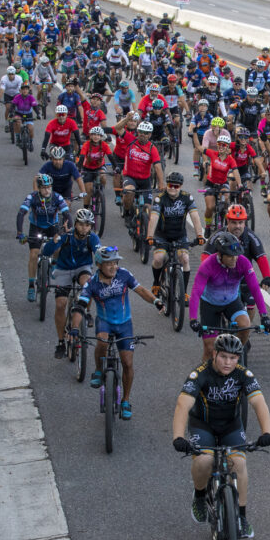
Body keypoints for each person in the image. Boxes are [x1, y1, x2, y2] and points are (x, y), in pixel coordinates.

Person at [172, 333, 270, 535]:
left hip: (231, 425)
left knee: (240, 463)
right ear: (214, 354)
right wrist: (178, 436)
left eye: (233, 358)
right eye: (224, 357)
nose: (228, 363)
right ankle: (200, 496)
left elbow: (258, 402)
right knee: (203, 461)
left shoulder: (243, 375)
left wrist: (267, 432)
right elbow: (182, 405)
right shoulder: (200, 373)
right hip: (203, 425)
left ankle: (241, 517)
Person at [69, 247, 163, 419]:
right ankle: (98, 370)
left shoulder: (124, 274)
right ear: (99, 264)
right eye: (108, 263)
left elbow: (140, 290)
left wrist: (155, 301)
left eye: (115, 262)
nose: (113, 267)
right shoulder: (92, 283)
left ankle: (125, 401)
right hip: (104, 322)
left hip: (124, 324)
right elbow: (80, 307)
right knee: (102, 342)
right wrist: (75, 328)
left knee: (127, 363)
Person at [188, 234, 270, 362]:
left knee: (245, 326)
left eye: (236, 255)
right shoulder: (208, 265)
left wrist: (264, 316)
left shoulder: (243, 262)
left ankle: (234, 356)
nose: (234, 259)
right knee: (210, 348)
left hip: (232, 302)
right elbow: (196, 292)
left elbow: (255, 289)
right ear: (220, 255)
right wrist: (193, 319)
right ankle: (206, 378)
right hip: (210, 305)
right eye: (230, 256)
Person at [42, 209, 101, 358]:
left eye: (88, 225)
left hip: (83, 268)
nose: (84, 228)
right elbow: (47, 252)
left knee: (89, 282)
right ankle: (61, 341)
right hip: (64, 269)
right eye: (81, 224)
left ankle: (87, 312)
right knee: (61, 304)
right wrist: (54, 241)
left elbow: (99, 254)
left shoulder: (92, 238)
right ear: (75, 224)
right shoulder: (66, 236)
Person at [146, 171, 205, 299]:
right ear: (167, 185)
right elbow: (154, 217)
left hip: (180, 235)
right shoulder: (160, 198)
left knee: (185, 259)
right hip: (162, 236)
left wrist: (199, 235)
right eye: (170, 185)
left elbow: (194, 216)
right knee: (158, 258)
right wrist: (150, 236)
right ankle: (156, 282)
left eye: (176, 186)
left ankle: (183, 292)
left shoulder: (187, 197)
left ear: (181, 186)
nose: (172, 188)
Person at [16, 174, 71, 302]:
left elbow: (67, 214)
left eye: (49, 187)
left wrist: (68, 230)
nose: (47, 190)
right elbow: (21, 214)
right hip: (36, 227)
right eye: (44, 188)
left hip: (53, 226)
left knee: (57, 247)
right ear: (39, 188)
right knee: (34, 254)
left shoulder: (57, 197)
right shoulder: (32, 197)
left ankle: (54, 264)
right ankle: (31, 286)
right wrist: (20, 233)